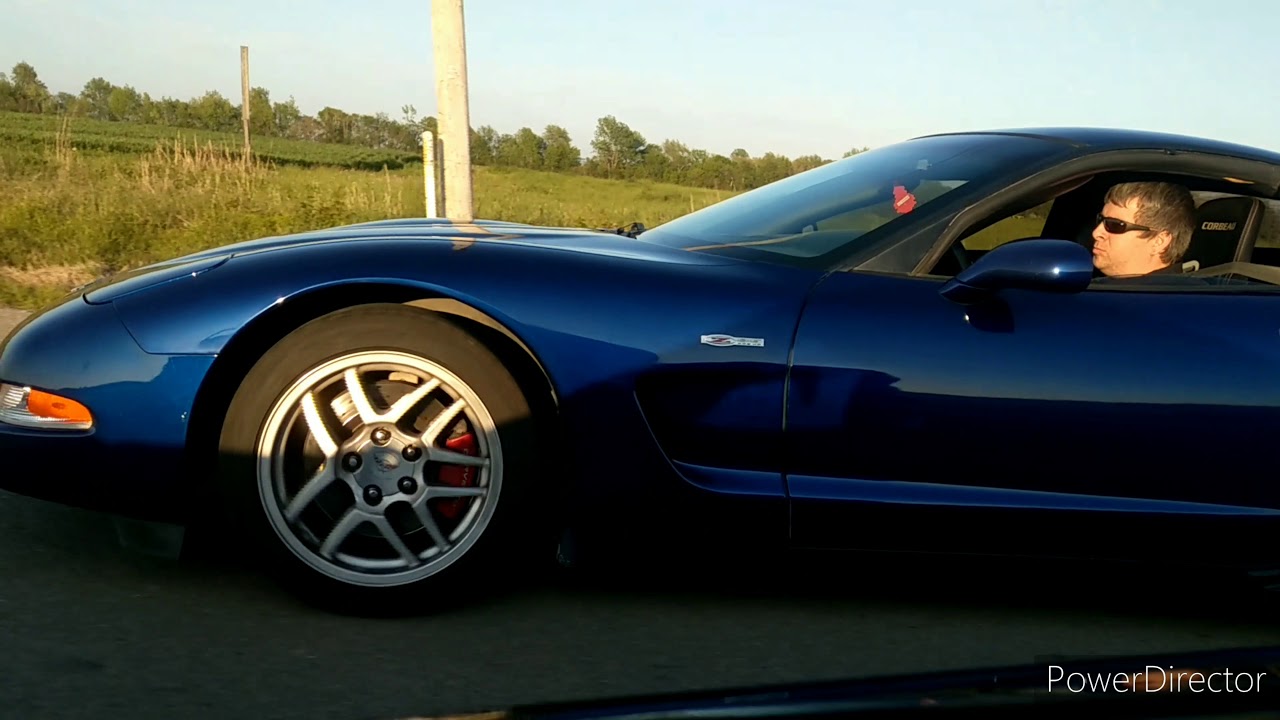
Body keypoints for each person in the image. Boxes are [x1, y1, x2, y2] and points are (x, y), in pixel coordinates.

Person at [1091, 181, 1197, 278]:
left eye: (1115, 225)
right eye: (1101, 220)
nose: (1096, 233)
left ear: (1159, 241)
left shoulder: (1163, 297)